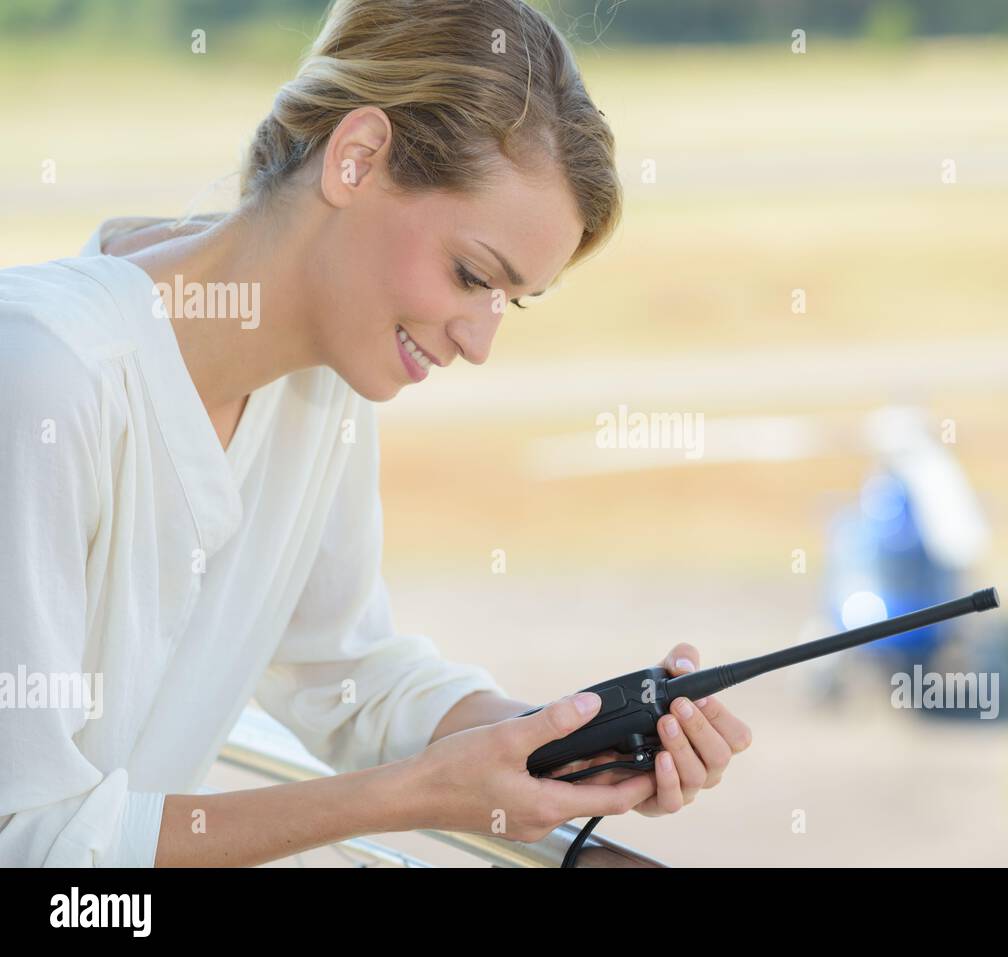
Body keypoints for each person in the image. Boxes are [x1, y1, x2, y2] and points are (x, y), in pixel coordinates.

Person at [0, 0, 750, 867]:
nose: (479, 342)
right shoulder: (46, 374)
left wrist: (563, 738)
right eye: (470, 275)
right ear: (355, 158)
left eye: (509, 303)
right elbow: (26, 838)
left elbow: (347, 673)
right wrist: (414, 795)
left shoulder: (323, 379)